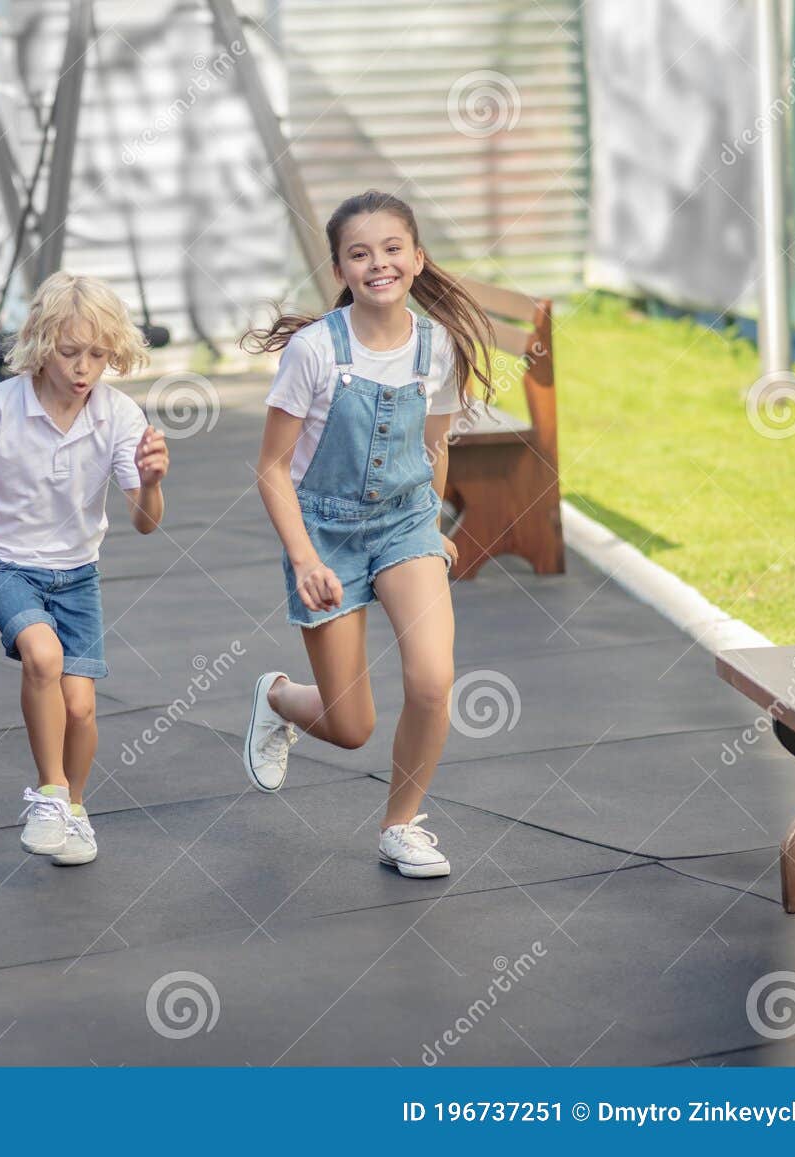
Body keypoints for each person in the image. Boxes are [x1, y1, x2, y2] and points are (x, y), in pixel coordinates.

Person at [244, 190, 495, 879]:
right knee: (350, 726)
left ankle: (400, 824)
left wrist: (435, 526)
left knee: (432, 680)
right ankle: (277, 697)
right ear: (341, 268)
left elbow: (436, 444)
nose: (378, 263)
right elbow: (270, 469)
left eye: (392, 248)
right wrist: (302, 559)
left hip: (406, 524)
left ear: (417, 258)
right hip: (324, 533)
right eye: (360, 253)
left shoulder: (437, 346)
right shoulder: (313, 351)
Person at [0, 272, 170, 867]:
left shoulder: (118, 414)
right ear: (40, 343)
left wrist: (153, 482)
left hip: (77, 573)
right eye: (69, 351)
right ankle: (50, 793)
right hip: (5, 564)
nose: (83, 368)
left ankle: (75, 809)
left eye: (98, 355)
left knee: (80, 708)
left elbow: (144, 522)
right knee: (44, 659)